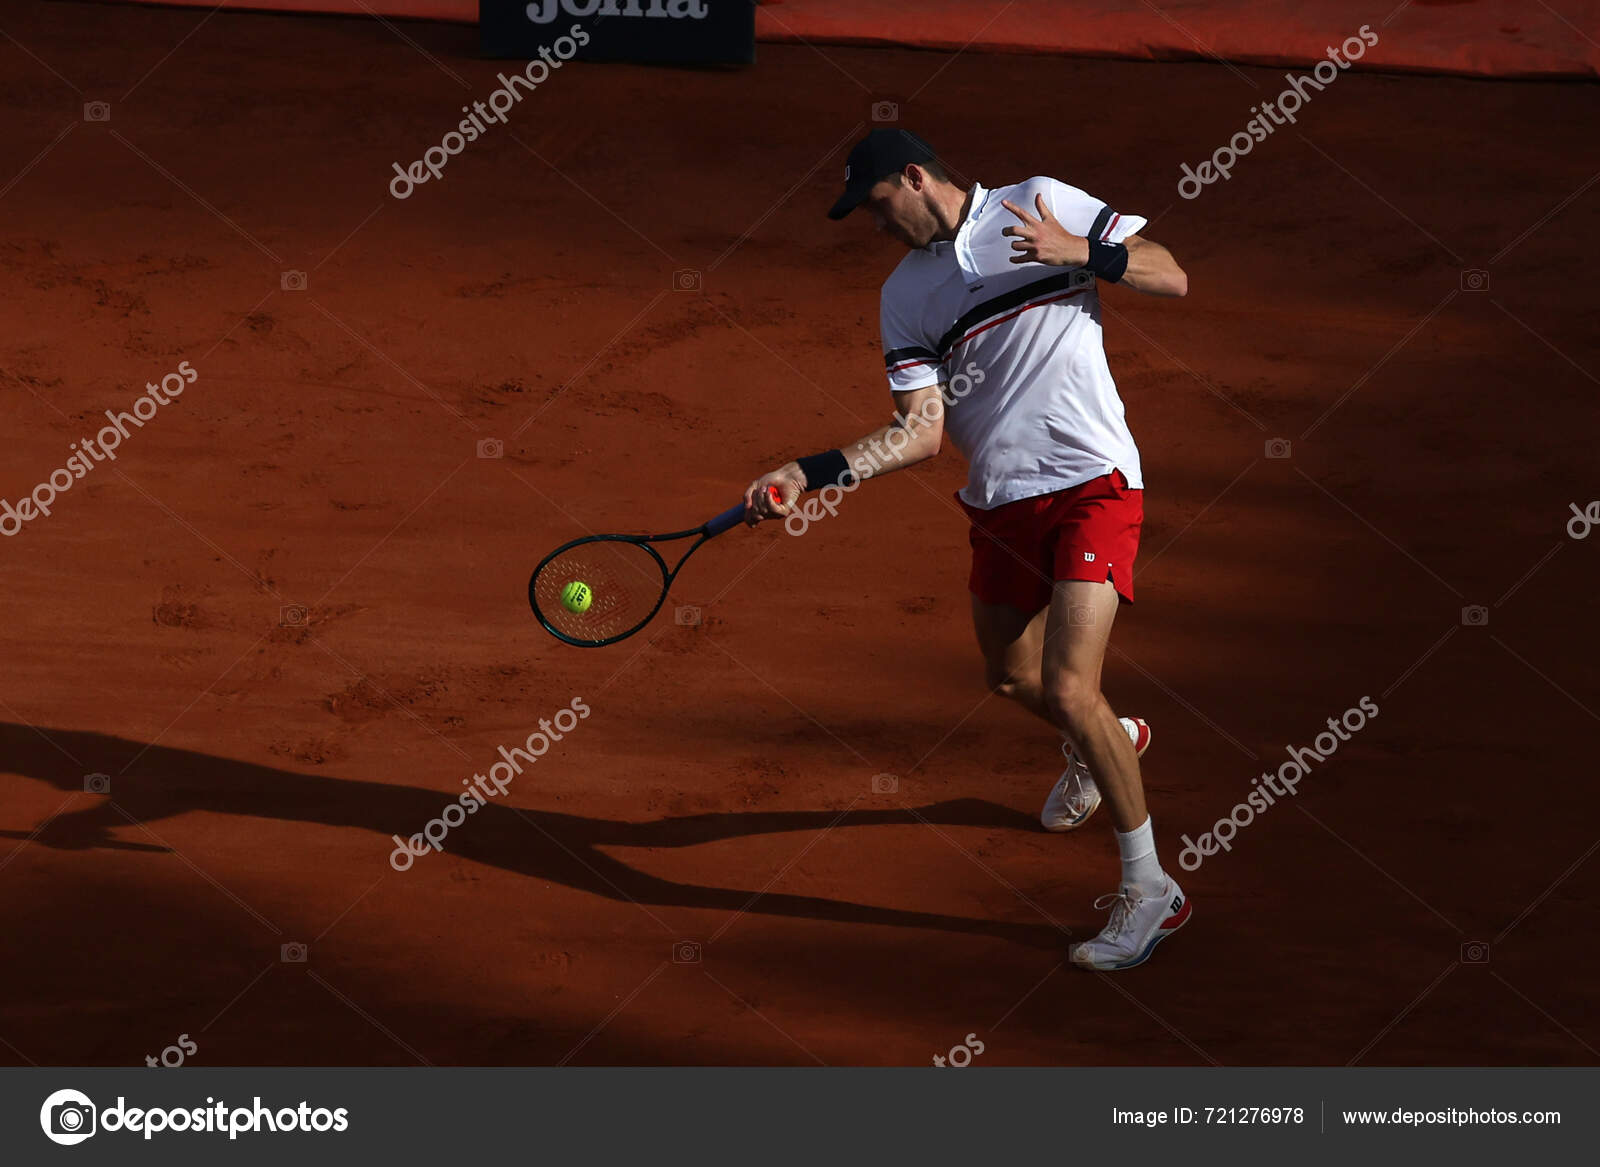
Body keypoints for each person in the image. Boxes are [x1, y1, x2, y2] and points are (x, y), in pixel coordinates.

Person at [742, 129, 1191, 970]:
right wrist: (810, 472)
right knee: (1012, 676)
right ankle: (1104, 739)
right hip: (1002, 501)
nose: (877, 225)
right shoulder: (903, 296)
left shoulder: (1039, 201)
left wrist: (1082, 252)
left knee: (1070, 685)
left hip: (1094, 482)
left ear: (916, 177)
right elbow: (920, 433)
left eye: (880, 205)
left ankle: (1152, 888)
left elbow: (1170, 274)